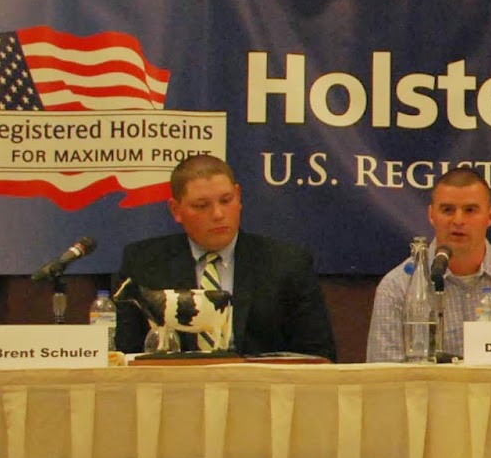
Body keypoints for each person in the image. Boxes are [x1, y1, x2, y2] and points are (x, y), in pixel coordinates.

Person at [114, 153, 337, 358]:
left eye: (226, 200)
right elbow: (125, 355)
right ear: (176, 210)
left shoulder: (287, 263)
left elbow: (319, 357)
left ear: (238, 197)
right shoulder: (143, 263)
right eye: (201, 206)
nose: (218, 214)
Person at [367, 166, 491, 362]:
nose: (458, 220)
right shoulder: (398, 287)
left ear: (490, 217)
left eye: (470, 210)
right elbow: (384, 380)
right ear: (431, 215)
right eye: (447, 210)